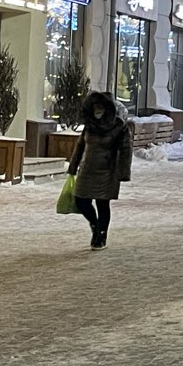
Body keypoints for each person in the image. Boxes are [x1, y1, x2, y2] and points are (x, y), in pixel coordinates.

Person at [68, 91, 132, 251]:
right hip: (87, 169)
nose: (97, 110)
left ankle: (101, 236)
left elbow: (126, 150)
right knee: (80, 200)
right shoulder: (89, 125)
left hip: (107, 171)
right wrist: (73, 166)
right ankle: (95, 225)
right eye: (95, 107)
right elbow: (80, 146)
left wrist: (123, 172)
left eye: (100, 107)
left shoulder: (118, 127)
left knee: (102, 203)